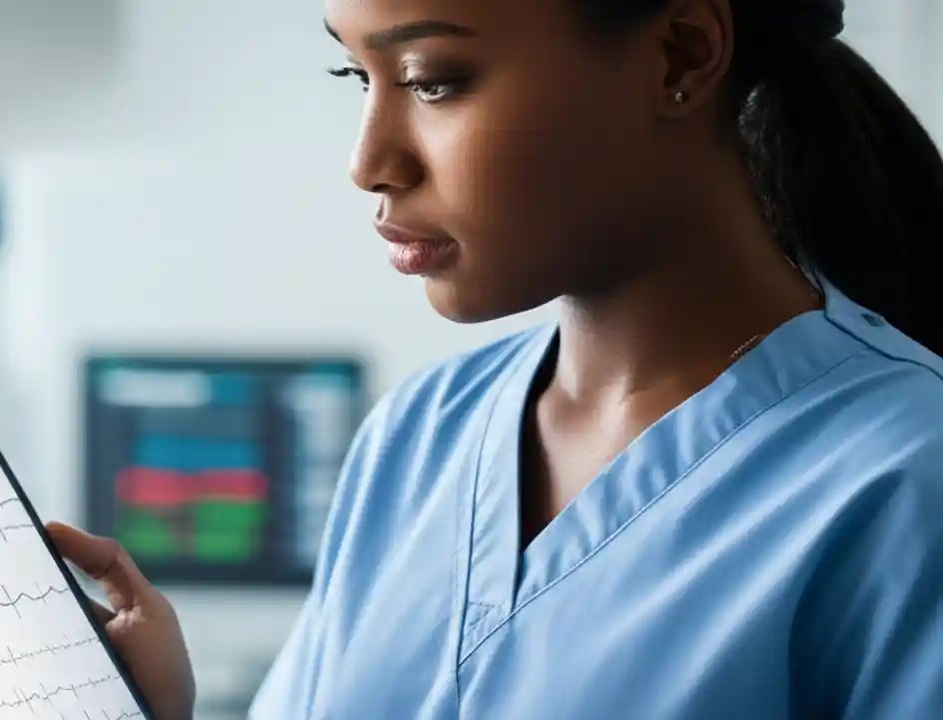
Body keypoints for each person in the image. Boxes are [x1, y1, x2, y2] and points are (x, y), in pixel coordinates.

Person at [46, 0, 943, 717]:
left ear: (680, 55)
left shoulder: (904, 478)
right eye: (355, 76)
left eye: (432, 81)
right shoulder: (419, 434)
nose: (369, 162)